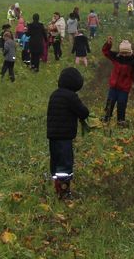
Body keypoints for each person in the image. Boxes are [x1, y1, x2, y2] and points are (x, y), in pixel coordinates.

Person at [46, 66, 90, 200]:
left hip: (53, 135)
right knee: (65, 163)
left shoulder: (54, 94)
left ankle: (57, 186)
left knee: (56, 161)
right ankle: (65, 193)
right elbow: (83, 111)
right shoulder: (71, 96)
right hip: (65, 136)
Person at [101, 37, 134, 126]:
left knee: (121, 104)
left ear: (130, 52)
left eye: (126, 53)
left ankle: (121, 121)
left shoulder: (133, 61)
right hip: (113, 86)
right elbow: (105, 52)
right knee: (110, 102)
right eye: (122, 53)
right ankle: (106, 117)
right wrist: (108, 44)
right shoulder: (116, 57)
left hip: (124, 88)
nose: (124, 55)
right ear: (120, 52)